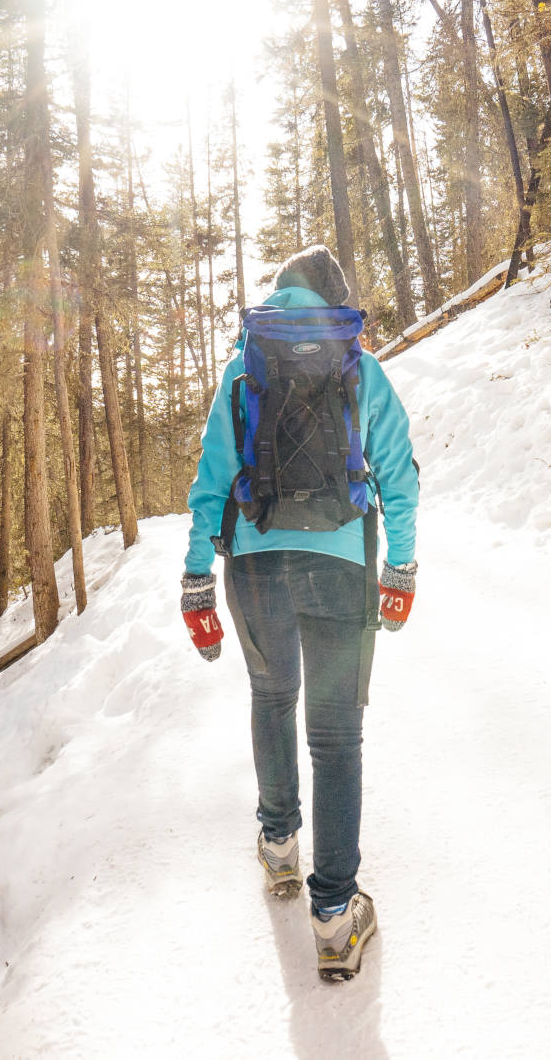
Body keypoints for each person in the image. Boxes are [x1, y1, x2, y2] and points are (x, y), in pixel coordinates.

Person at [179, 244, 420, 983]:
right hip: (339, 563)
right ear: (335, 297)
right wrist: (399, 567)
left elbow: (211, 479)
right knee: (336, 736)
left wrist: (196, 581)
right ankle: (335, 917)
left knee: (271, 697)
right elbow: (399, 472)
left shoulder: (246, 368)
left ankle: (280, 845)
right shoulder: (360, 366)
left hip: (254, 566)